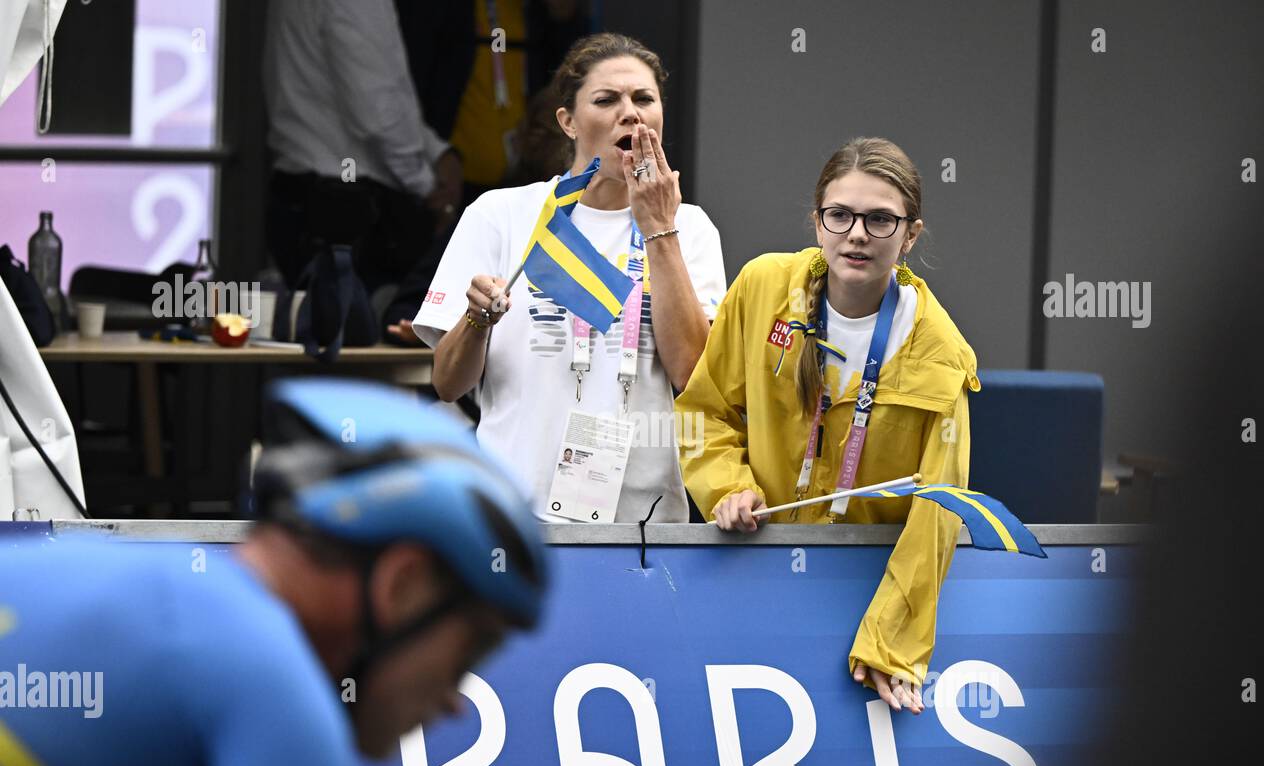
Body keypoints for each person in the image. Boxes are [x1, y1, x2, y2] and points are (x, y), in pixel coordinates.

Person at [0, 378, 547, 766]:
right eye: (471, 651)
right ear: (400, 586)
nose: (456, 702)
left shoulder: (174, 608)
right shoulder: (268, 673)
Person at [674, 137, 981, 715]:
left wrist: (891, 644)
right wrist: (726, 486)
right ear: (818, 222)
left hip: (861, 586)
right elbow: (702, 410)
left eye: (880, 219)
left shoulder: (940, 355)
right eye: (840, 215)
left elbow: (939, 510)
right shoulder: (763, 287)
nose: (857, 234)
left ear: (910, 235)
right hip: (753, 566)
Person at [413, 33, 726, 524]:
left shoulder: (693, 226)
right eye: (607, 100)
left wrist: (660, 229)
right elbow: (448, 384)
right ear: (568, 122)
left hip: (644, 525)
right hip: (512, 518)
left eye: (644, 99)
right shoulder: (502, 214)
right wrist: (477, 319)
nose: (631, 113)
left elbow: (690, 373)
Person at [262, 0, 465, 291]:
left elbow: (380, 99)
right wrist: (429, 189)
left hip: (303, 195)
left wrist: (436, 152)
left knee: (311, 326)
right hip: (344, 212)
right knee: (359, 332)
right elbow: (378, 116)